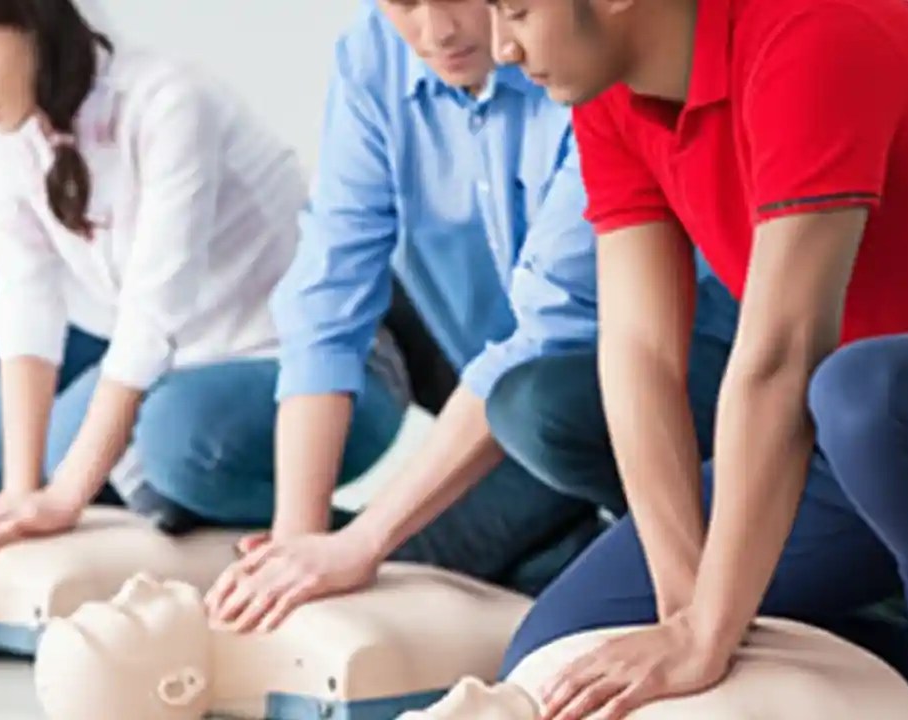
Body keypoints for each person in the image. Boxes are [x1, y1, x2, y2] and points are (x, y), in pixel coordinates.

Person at [486, 0, 908, 718]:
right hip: (862, 447)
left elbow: (783, 353)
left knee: (864, 394)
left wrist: (711, 631)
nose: (501, 47)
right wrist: (684, 611)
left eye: (516, 11)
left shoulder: (815, 30)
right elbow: (640, 350)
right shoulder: (609, 87)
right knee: (563, 654)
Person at [201, 0, 741, 631]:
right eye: (405, 4)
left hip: (667, 380)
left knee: (526, 417)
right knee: (398, 556)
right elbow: (328, 297)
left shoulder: (582, 60)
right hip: (501, 389)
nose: (437, 32)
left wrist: (363, 542)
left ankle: (615, 536)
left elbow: (550, 326)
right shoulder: (371, 55)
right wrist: (298, 535)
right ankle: (569, 545)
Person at [0, 0, 312, 571]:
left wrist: (63, 499)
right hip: (177, 367)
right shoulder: (9, 130)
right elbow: (25, 305)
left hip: (285, 363)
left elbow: (152, 317)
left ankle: (333, 531)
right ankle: (168, 511)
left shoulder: (170, 103)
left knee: (169, 441)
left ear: (32, 24)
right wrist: (22, 493)